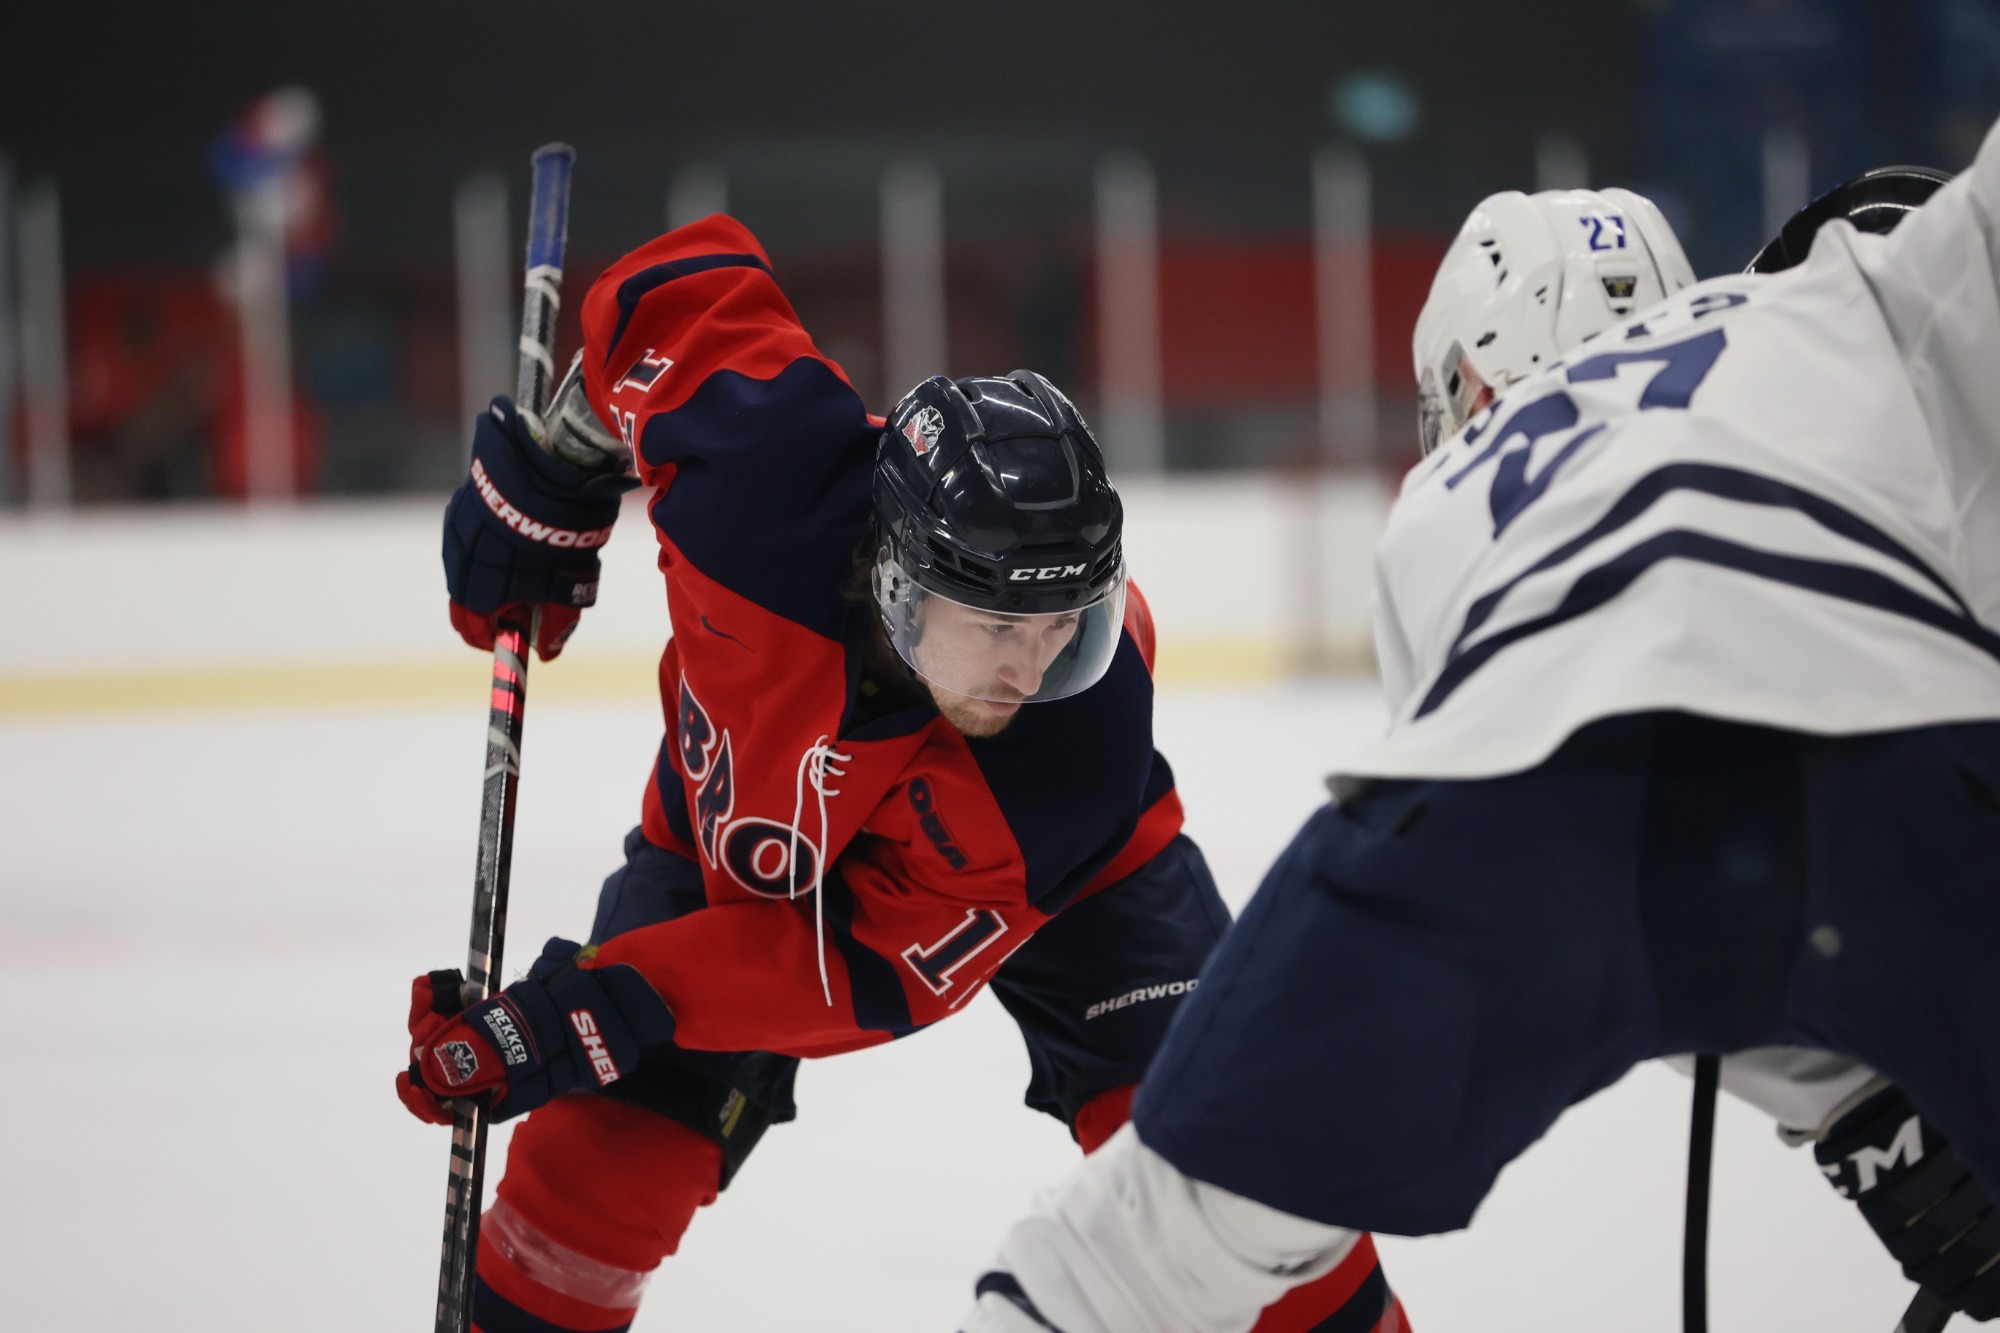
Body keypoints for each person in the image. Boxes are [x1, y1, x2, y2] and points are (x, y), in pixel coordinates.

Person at [960, 122, 2000, 1333]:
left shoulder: (1435, 510)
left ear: (1465, 373)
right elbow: (1759, 871)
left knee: (1134, 1253)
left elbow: (1636, 884)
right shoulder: (1825, 317)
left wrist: (1851, 1102)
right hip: (1895, 726)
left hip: (1506, 783)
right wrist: (1871, 1105)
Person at [395, 214, 1405, 1333]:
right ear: (900, 584)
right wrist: (561, 464)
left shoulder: (1069, 744)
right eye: (997, 628)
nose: (1032, 668)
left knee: (1232, 1181)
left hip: (1074, 886)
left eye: (1065, 624)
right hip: (734, 841)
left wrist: (594, 1003)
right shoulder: (760, 470)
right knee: (588, 1180)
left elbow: (851, 970)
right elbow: (677, 282)